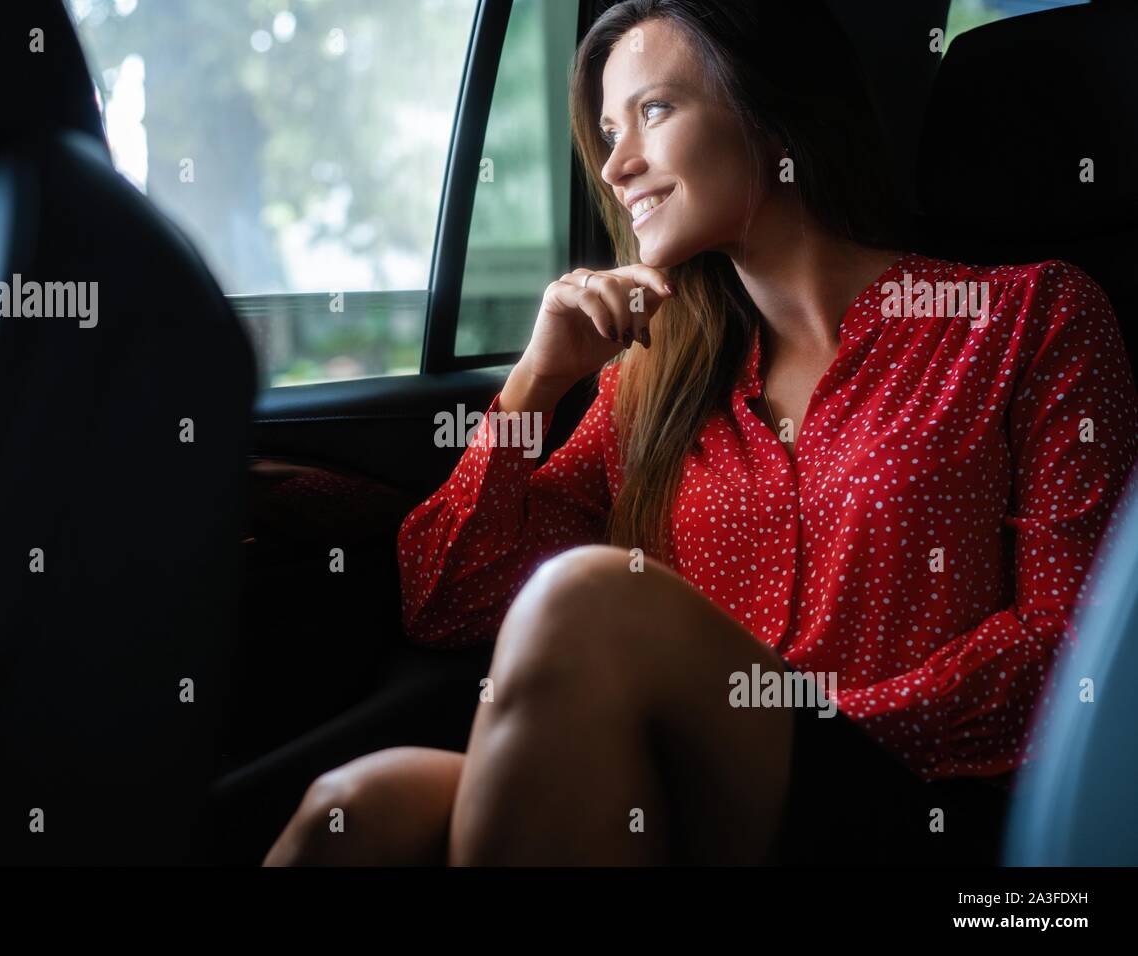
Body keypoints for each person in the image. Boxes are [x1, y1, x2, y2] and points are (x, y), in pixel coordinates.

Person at [264, 0, 1138, 865]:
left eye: (653, 110)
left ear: (771, 111)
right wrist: (539, 380)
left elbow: (1070, 656)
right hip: (705, 798)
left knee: (591, 599)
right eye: (608, 132)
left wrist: (753, 717)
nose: (615, 167)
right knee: (357, 806)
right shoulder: (651, 382)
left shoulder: (1029, 318)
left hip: (921, 809)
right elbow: (447, 598)